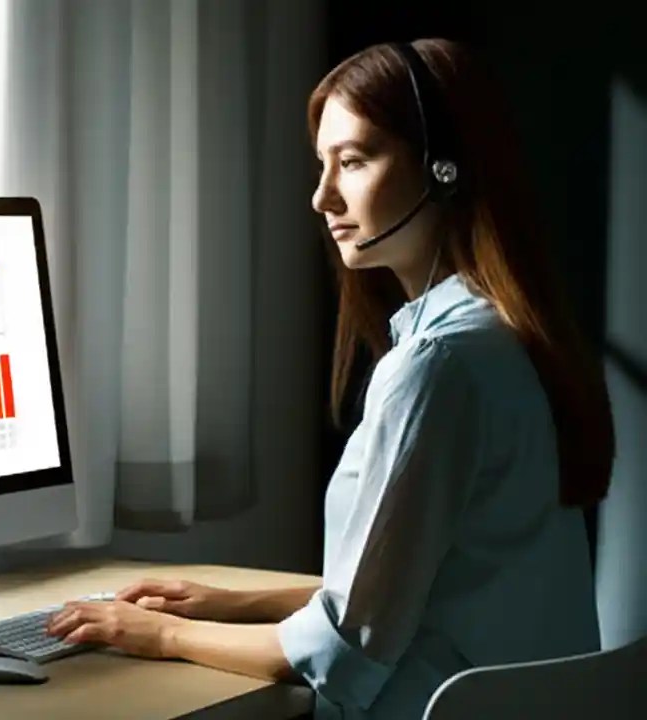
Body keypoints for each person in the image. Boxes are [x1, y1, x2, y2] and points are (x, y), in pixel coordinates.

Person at [45, 37, 615, 719]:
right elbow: (430, 589)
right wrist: (231, 603)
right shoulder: (506, 338)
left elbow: (347, 654)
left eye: (353, 161)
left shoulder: (437, 366)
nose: (322, 197)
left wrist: (161, 634)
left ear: (443, 169)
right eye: (322, 165)